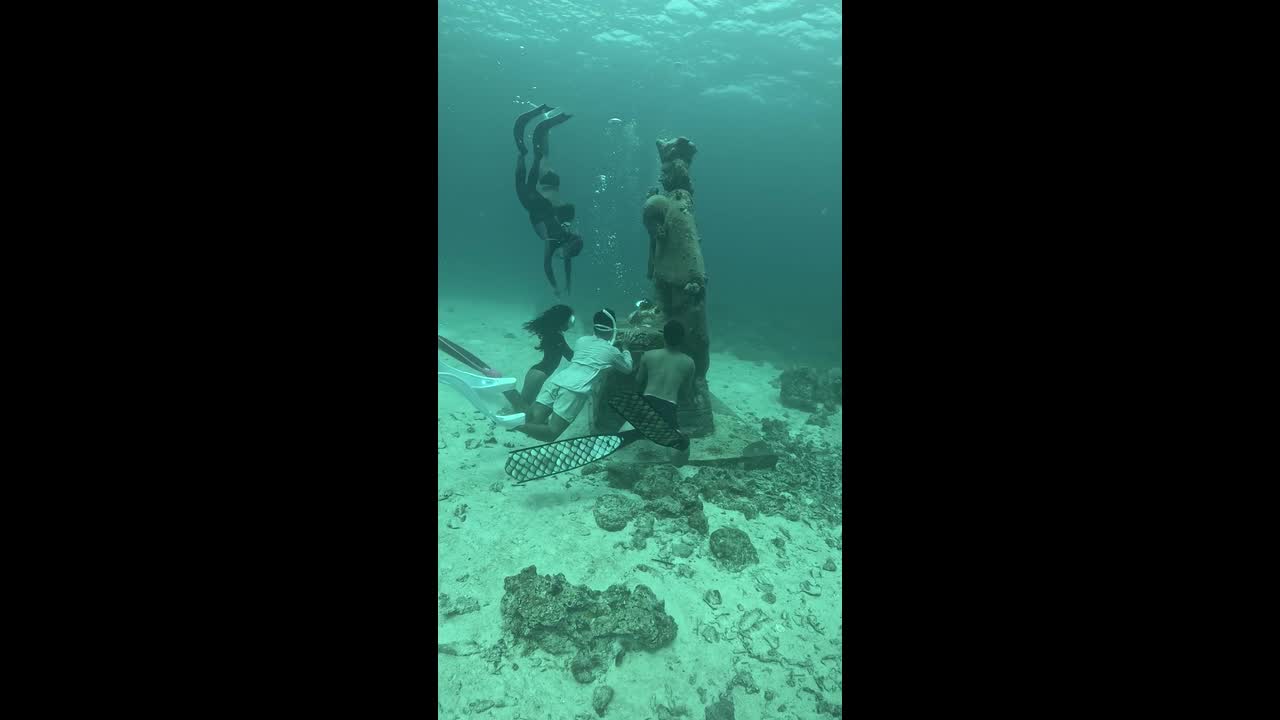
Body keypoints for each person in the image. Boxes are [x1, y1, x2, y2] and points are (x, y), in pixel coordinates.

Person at [517, 309, 631, 442]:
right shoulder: (613, 351)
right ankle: (516, 426)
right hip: (575, 390)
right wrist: (626, 348)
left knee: (534, 421)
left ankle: (514, 421)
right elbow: (627, 369)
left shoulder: (581, 341)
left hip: (558, 381)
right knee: (551, 434)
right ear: (613, 328)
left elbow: (588, 356)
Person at [513, 105, 583, 296]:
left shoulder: (569, 237)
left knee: (543, 155)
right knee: (533, 158)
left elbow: (567, 264)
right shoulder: (554, 241)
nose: (563, 258)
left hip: (551, 185)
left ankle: (547, 123)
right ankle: (539, 131)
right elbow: (547, 266)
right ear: (567, 247)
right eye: (565, 254)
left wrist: (567, 284)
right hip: (538, 194)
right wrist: (555, 287)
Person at [635, 320, 696, 461]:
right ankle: (681, 442)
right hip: (668, 406)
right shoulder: (689, 362)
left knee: (629, 433)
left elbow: (638, 381)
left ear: (664, 336)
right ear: (682, 339)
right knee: (676, 458)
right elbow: (685, 393)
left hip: (646, 402)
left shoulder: (648, 355)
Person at [505, 304, 575, 412]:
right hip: (538, 375)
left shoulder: (553, 333)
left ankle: (507, 404)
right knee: (523, 408)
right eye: (570, 321)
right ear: (562, 321)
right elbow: (570, 356)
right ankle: (505, 399)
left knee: (523, 404)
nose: (571, 325)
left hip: (536, 372)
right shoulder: (557, 337)